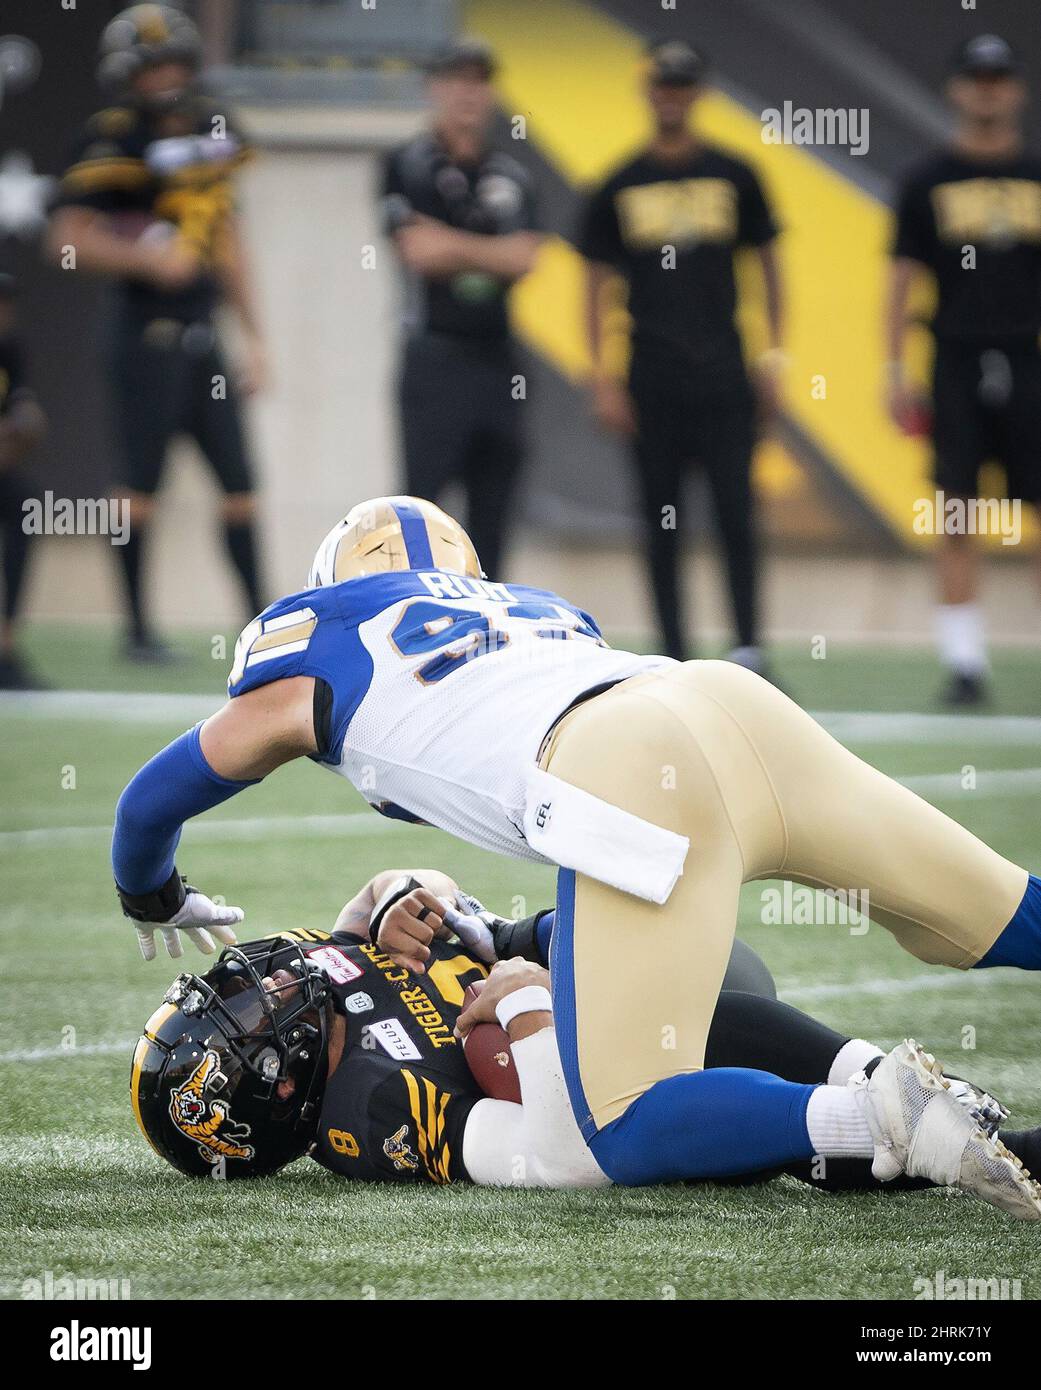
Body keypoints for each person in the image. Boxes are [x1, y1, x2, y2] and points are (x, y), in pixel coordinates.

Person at [110, 495, 1041, 1215]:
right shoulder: (534, 612)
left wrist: (151, 893)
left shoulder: (322, 641)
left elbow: (152, 799)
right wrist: (462, 924)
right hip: (723, 699)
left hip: (619, 768)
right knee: (994, 916)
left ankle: (882, 1115)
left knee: (627, 1122)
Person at [130, 866, 1038, 1195]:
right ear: (273, 1085)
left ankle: (890, 1087)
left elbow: (397, 893)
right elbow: (559, 1155)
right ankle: (900, 1117)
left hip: (613, 974)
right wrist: (530, 1004)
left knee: (610, 916)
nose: (255, 984)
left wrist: (404, 900)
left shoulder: (316, 975)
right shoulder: (369, 1114)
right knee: (677, 1046)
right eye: (241, 1018)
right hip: (628, 1067)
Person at [48, 4, 268, 662]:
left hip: (204, 333)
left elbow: (226, 237)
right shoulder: (109, 137)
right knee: (139, 487)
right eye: (153, 67)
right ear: (129, 75)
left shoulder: (211, 127)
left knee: (240, 485)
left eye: (174, 63)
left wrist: (255, 335)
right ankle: (138, 631)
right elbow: (67, 239)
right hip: (140, 331)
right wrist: (148, 257)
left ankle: (260, 625)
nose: (167, 78)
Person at [579, 39, 784, 668]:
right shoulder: (619, 183)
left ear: (698, 93)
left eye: (682, 84)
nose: (671, 95)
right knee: (660, 522)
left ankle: (749, 648)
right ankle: (671, 655)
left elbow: (769, 265)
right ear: (648, 91)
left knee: (736, 516)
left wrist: (775, 356)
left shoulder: (735, 174)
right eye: (662, 84)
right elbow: (594, 282)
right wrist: (602, 378)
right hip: (652, 376)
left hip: (725, 371)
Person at [887, 34, 1041, 706]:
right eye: (975, 76)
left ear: (1016, 89)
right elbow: (899, 280)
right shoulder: (927, 181)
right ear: (956, 88)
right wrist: (893, 368)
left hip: (1028, 359)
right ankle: (964, 664)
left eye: (997, 77)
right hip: (951, 359)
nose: (986, 88)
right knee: (955, 512)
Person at [381, 38, 542, 582]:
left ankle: (492, 643)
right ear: (435, 89)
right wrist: (492, 253)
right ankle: (419, 635)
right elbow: (418, 253)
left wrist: (454, 245)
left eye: (480, 81)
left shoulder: (513, 174)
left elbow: (528, 257)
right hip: (435, 358)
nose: (469, 93)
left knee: (493, 516)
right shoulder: (406, 163)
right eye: (457, 80)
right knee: (423, 517)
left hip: (499, 361)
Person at [0, 270, 47, 688]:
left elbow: (26, 418)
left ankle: (6, 641)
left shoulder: (10, 348)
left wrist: (23, 425)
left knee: (25, 508)